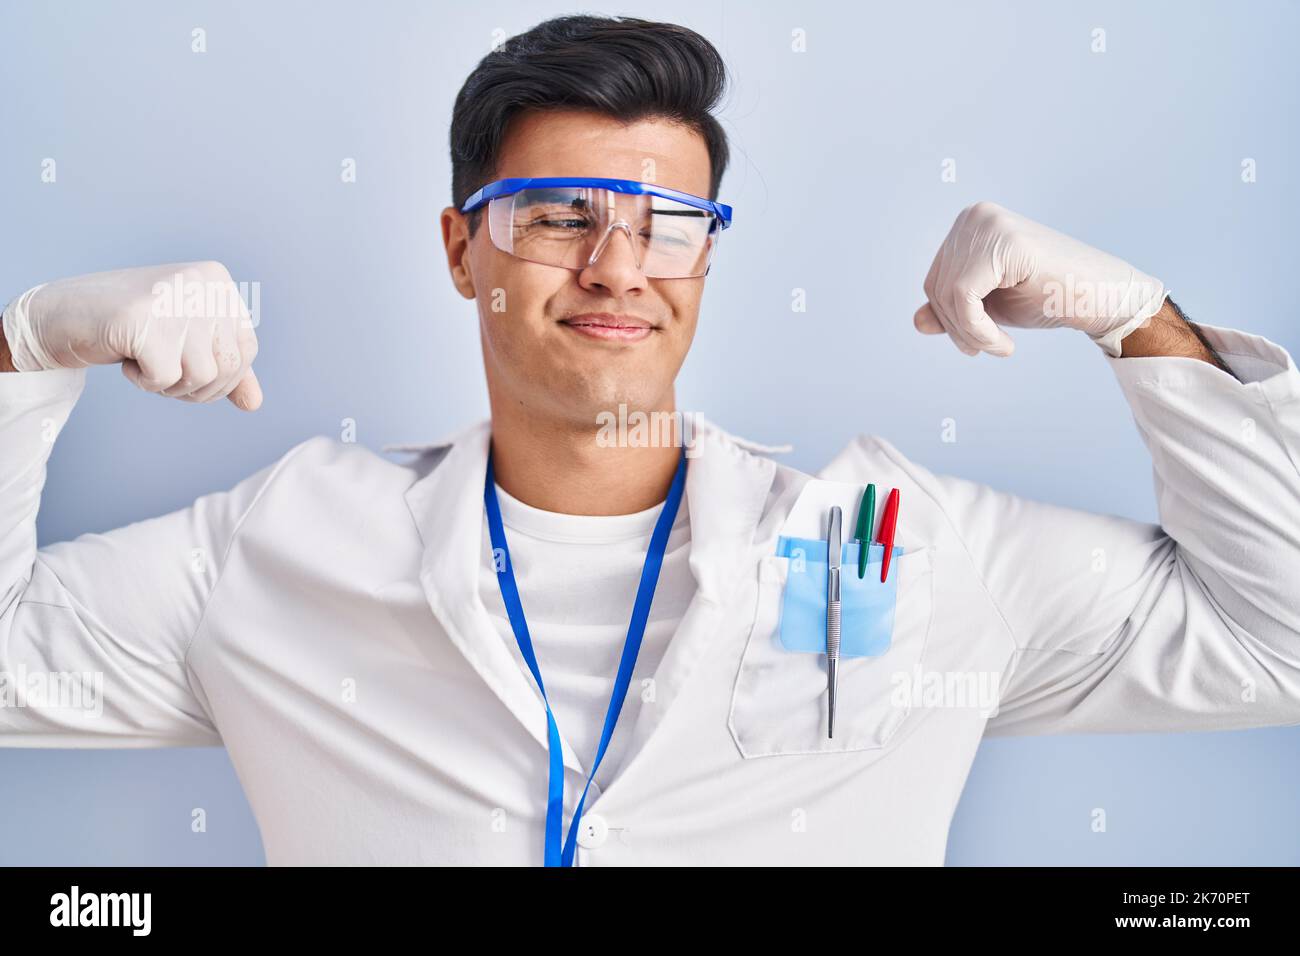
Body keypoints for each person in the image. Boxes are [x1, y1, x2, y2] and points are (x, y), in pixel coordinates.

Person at [1, 14, 1297, 866]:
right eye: (556, 216)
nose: (619, 267)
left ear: (710, 253)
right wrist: (30, 350)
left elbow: (1273, 641)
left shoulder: (891, 546)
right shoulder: (282, 550)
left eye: (669, 222)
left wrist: (1136, 319)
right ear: (462, 251)